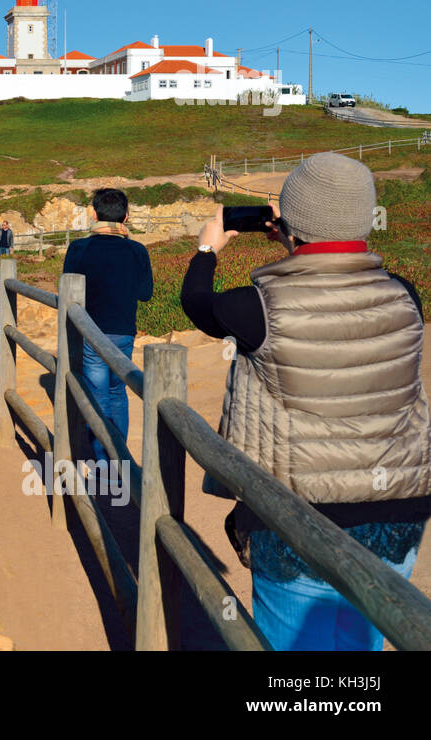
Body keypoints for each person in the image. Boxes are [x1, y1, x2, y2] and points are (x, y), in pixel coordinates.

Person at [179, 152, 429, 651]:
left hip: (302, 519)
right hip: (398, 513)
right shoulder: (404, 295)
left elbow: (197, 304)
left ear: (291, 222)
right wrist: (298, 239)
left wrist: (208, 250)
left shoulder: (256, 308)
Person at [62, 188, 153, 461]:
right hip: (123, 331)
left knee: (98, 393)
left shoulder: (78, 248)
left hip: (91, 331)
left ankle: (102, 460)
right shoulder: (138, 250)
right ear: (126, 217)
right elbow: (145, 293)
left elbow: (68, 289)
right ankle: (119, 457)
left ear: (94, 213)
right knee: (117, 392)